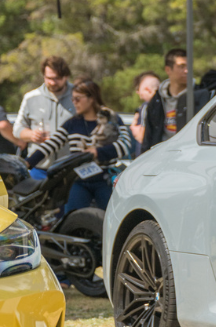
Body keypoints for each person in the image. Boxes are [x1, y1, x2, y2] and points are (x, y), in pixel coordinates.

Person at [26, 78, 132, 213]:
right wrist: (27, 164)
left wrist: (96, 152)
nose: (74, 102)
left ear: (91, 98)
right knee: (73, 217)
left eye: (78, 99)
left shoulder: (111, 119)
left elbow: (126, 145)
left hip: (105, 179)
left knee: (111, 217)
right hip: (78, 179)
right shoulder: (72, 123)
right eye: (72, 99)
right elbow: (50, 145)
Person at [142, 49, 210, 150]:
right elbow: (149, 136)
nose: (186, 70)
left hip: (189, 154)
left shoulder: (200, 96)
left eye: (189, 66)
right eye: (181, 66)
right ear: (168, 70)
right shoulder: (157, 100)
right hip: (161, 156)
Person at [13, 56, 75, 150]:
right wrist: (31, 134)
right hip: (39, 162)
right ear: (43, 76)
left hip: (71, 161)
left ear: (66, 76)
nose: (52, 82)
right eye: (49, 78)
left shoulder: (78, 96)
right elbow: (17, 129)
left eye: (57, 78)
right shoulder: (31, 97)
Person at [128, 71, 161, 156]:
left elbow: (142, 136)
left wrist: (134, 129)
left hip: (147, 157)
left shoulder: (147, 106)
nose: (138, 93)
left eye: (138, 89)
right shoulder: (166, 104)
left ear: (147, 89)